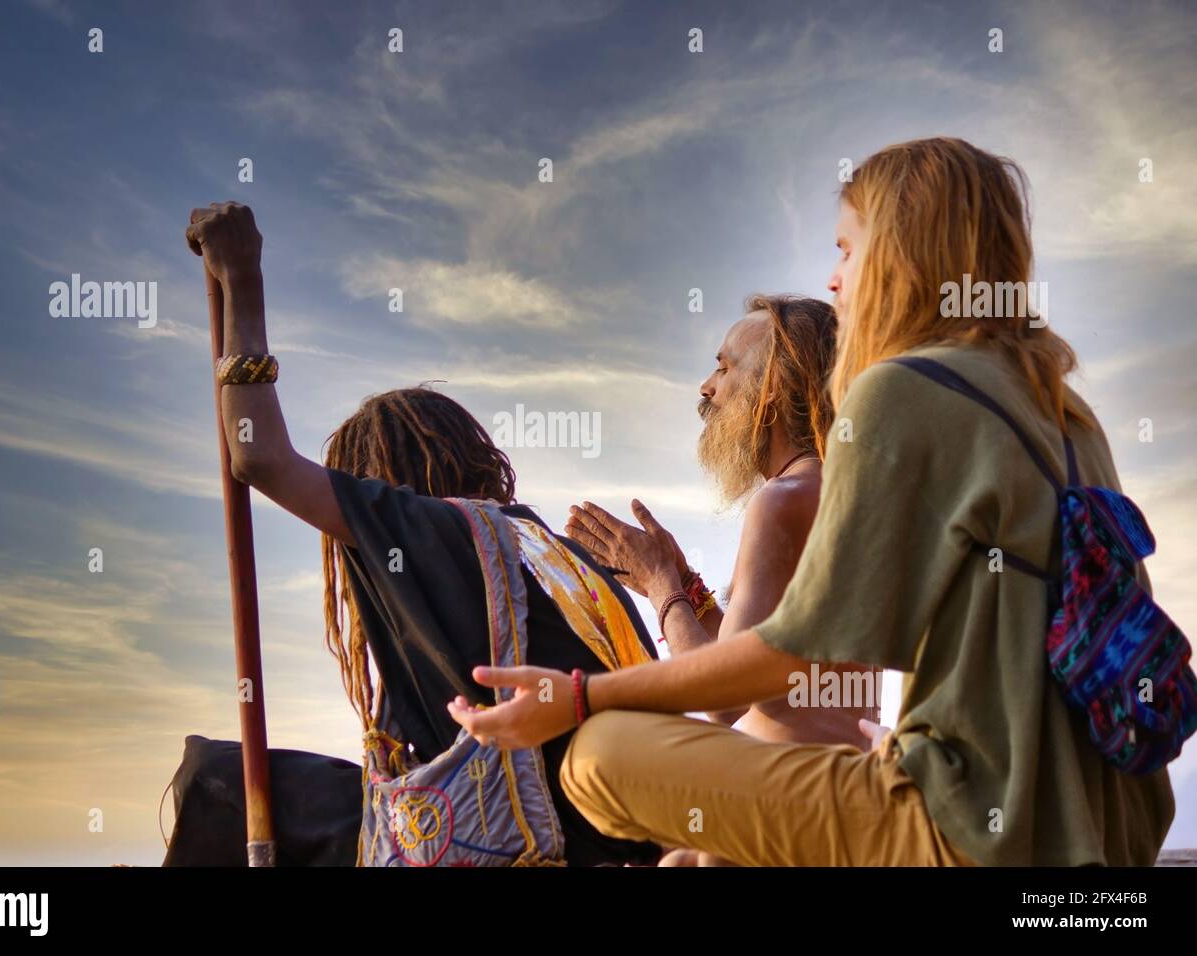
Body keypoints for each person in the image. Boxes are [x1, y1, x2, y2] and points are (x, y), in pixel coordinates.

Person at [447, 137, 1177, 866]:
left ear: (899, 252)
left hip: (971, 830)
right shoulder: (1065, 414)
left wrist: (580, 696)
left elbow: (785, 659)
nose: (834, 280)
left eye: (847, 250)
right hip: (1109, 831)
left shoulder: (903, 392)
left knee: (597, 755)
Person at [184, 202, 661, 866]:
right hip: (634, 841)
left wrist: (241, 276)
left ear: (386, 484)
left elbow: (257, 455)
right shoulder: (560, 557)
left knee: (216, 778)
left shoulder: (441, 533)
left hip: (542, 848)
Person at [564, 294, 880, 747]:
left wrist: (660, 584)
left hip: (790, 780)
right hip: (842, 769)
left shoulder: (782, 501)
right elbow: (744, 660)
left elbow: (725, 700)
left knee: (594, 755)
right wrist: (687, 584)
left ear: (770, 383)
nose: (706, 386)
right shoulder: (836, 491)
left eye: (725, 367)